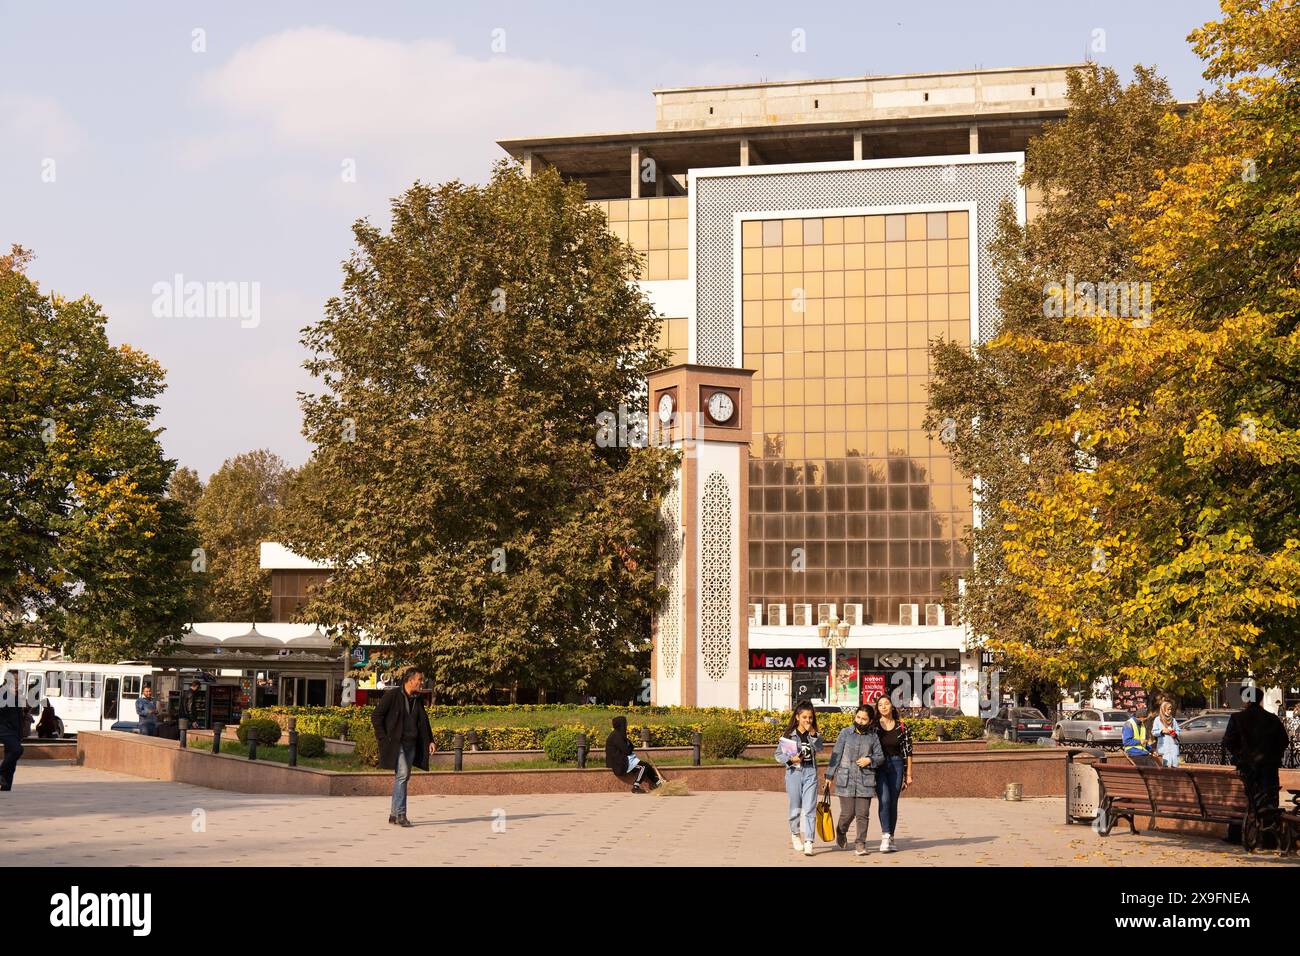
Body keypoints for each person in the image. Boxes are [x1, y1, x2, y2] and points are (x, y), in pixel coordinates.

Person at [370, 667, 436, 827]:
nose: (422, 683)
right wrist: (383, 737)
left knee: (403, 777)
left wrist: (430, 740)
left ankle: (393, 814)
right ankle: (401, 815)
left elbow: (424, 721)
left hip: (411, 743)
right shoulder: (392, 696)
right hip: (396, 743)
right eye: (419, 680)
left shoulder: (418, 699)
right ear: (410, 680)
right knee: (402, 775)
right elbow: (376, 716)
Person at [1224, 694, 1289, 844]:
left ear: (1246, 700)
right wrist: (1272, 756)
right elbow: (1284, 741)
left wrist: (1241, 755)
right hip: (1269, 768)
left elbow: (1228, 741)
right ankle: (1269, 838)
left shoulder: (1237, 718)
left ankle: (1237, 835)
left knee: (1246, 800)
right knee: (1269, 801)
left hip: (1247, 769)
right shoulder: (1272, 718)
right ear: (1259, 700)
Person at [823, 703, 885, 855]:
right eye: (858, 717)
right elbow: (836, 754)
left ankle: (860, 844)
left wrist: (869, 760)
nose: (860, 721)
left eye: (864, 719)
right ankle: (841, 831)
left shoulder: (873, 736)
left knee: (863, 813)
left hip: (866, 780)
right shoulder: (845, 733)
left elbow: (880, 757)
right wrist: (829, 776)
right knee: (848, 813)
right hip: (846, 779)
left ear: (870, 721)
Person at [776, 700, 823, 856]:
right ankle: (795, 834)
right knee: (795, 806)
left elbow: (820, 748)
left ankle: (809, 840)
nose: (807, 720)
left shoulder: (814, 734)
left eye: (810, 717)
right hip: (794, 773)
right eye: (804, 717)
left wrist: (814, 735)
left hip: (810, 772)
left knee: (809, 807)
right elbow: (778, 755)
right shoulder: (790, 735)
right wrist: (791, 760)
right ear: (797, 717)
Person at [873, 693, 913, 853]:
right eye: (880, 704)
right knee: (884, 799)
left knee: (893, 802)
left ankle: (891, 836)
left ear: (892, 706)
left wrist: (908, 774)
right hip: (880, 766)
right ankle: (885, 836)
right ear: (877, 708)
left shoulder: (902, 726)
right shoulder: (874, 727)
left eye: (886, 703)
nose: (883, 706)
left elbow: (908, 752)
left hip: (896, 765)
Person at [604, 715, 663, 793]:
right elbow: (627, 750)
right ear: (621, 725)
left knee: (647, 766)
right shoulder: (616, 736)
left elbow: (630, 747)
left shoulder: (619, 734)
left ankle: (657, 782)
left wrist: (629, 746)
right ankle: (636, 786)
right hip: (620, 762)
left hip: (625, 758)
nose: (626, 725)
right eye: (625, 724)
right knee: (643, 767)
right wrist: (629, 746)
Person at [0, 672, 28, 791]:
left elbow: (19, 714)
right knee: (17, 750)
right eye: (14, 680)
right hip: (4, 729)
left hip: (15, 730)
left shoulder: (18, 694)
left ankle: (6, 786)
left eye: (18, 680)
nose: (17, 682)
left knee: (11, 759)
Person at [1151, 697, 1181, 768]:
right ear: (1163, 709)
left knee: (1175, 767)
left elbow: (1178, 730)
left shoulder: (1173, 720)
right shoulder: (1158, 720)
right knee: (1164, 767)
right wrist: (1162, 731)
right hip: (1163, 747)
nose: (1170, 711)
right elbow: (1153, 732)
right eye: (1168, 709)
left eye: (1171, 709)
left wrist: (1174, 733)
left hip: (1173, 746)